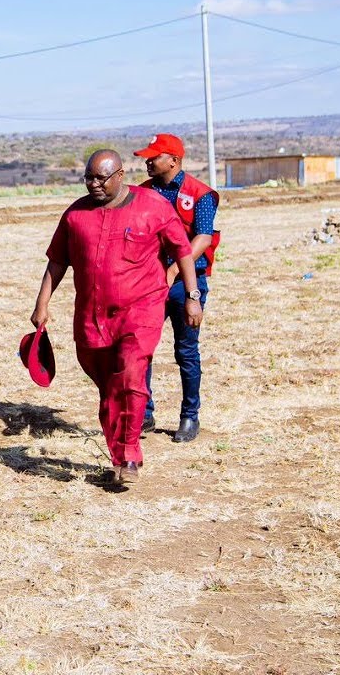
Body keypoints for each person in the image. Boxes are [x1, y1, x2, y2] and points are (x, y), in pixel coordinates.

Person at [30, 150, 202, 486]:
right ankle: (119, 452)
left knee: (132, 377)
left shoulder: (152, 206)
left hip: (142, 309)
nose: (94, 184)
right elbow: (57, 261)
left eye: (101, 178)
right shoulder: (76, 214)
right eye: (89, 178)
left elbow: (182, 250)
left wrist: (192, 297)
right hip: (92, 316)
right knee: (109, 388)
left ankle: (129, 455)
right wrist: (42, 302)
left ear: (120, 175)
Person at [133, 133, 221, 443]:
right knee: (141, 350)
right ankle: (143, 414)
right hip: (149, 284)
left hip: (186, 283)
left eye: (154, 156)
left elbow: (203, 237)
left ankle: (189, 416)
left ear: (173, 160)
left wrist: (174, 272)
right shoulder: (140, 193)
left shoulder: (200, 194)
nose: (147, 161)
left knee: (185, 351)